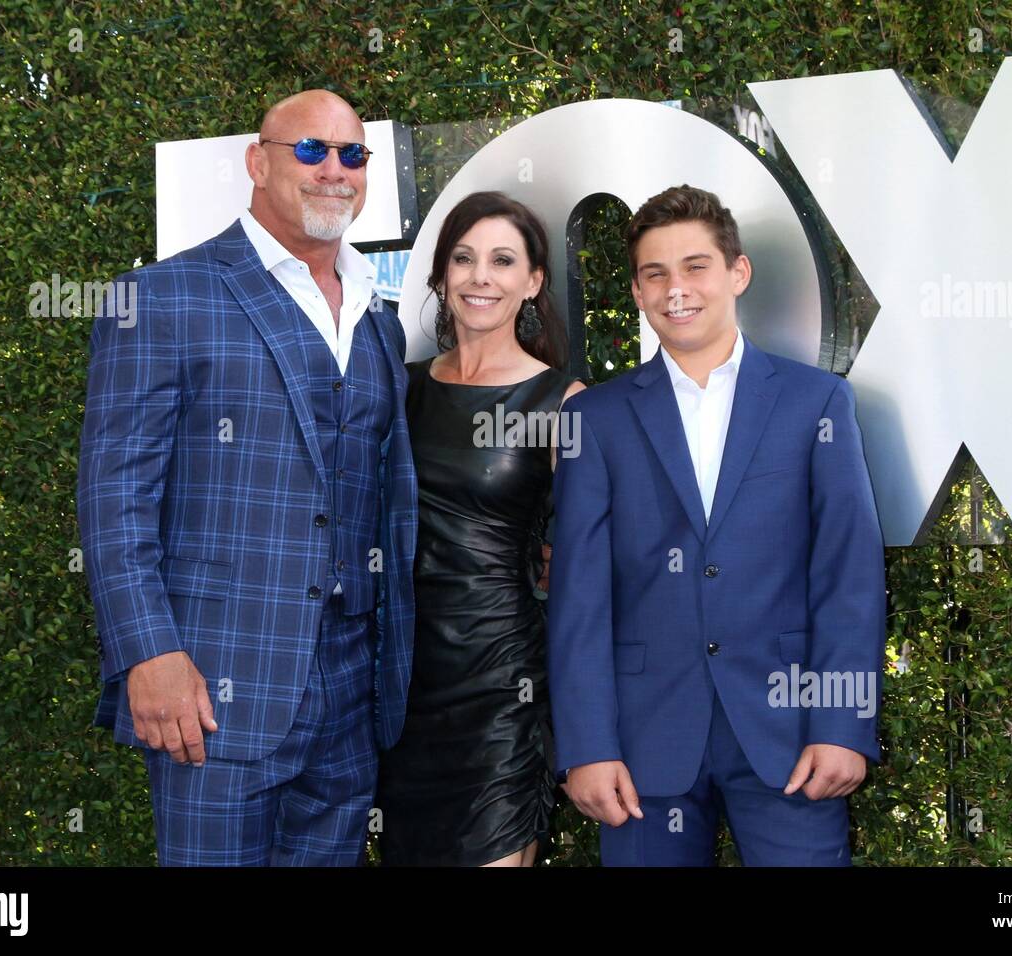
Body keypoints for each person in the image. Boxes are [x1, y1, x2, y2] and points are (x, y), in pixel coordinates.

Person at [78, 89, 418, 865]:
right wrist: (147, 653)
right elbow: (114, 494)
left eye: (352, 154)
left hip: (352, 696)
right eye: (311, 150)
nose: (334, 170)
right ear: (258, 163)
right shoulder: (159, 298)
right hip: (211, 688)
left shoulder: (379, 317)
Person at [548, 184, 887, 866]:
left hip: (792, 734)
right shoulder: (594, 421)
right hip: (642, 748)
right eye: (655, 273)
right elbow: (579, 598)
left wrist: (845, 725)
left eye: (695, 266)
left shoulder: (816, 401)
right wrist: (587, 746)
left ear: (737, 273)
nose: (677, 288)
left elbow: (848, 574)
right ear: (639, 294)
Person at [375, 191, 584, 866]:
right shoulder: (398, 389)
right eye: (462, 259)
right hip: (398, 686)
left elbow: (594, 558)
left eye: (502, 260)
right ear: (439, 277)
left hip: (500, 688)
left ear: (532, 282)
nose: (480, 277)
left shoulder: (562, 401)